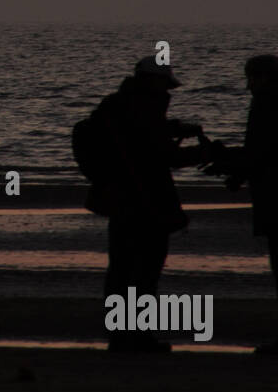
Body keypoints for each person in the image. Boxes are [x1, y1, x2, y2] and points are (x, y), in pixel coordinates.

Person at [85, 56, 211, 352]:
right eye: (164, 84)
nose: (167, 91)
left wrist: (172, 128)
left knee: (121, 271)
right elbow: (160, 154)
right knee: (144, 273)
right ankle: (138, 338)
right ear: (152, 82)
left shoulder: (118, 106)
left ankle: (121, 337)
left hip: (120, 202)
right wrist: (202, 154)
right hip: (145, 203)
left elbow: (140, 140)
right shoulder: (143, 108)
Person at [205, 55, 278, 356]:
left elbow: (261, 152)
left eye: (251, 77)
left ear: (264, 77)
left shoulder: (267, 104)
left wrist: (233, 170)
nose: (247, 84)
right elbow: (272, 150)